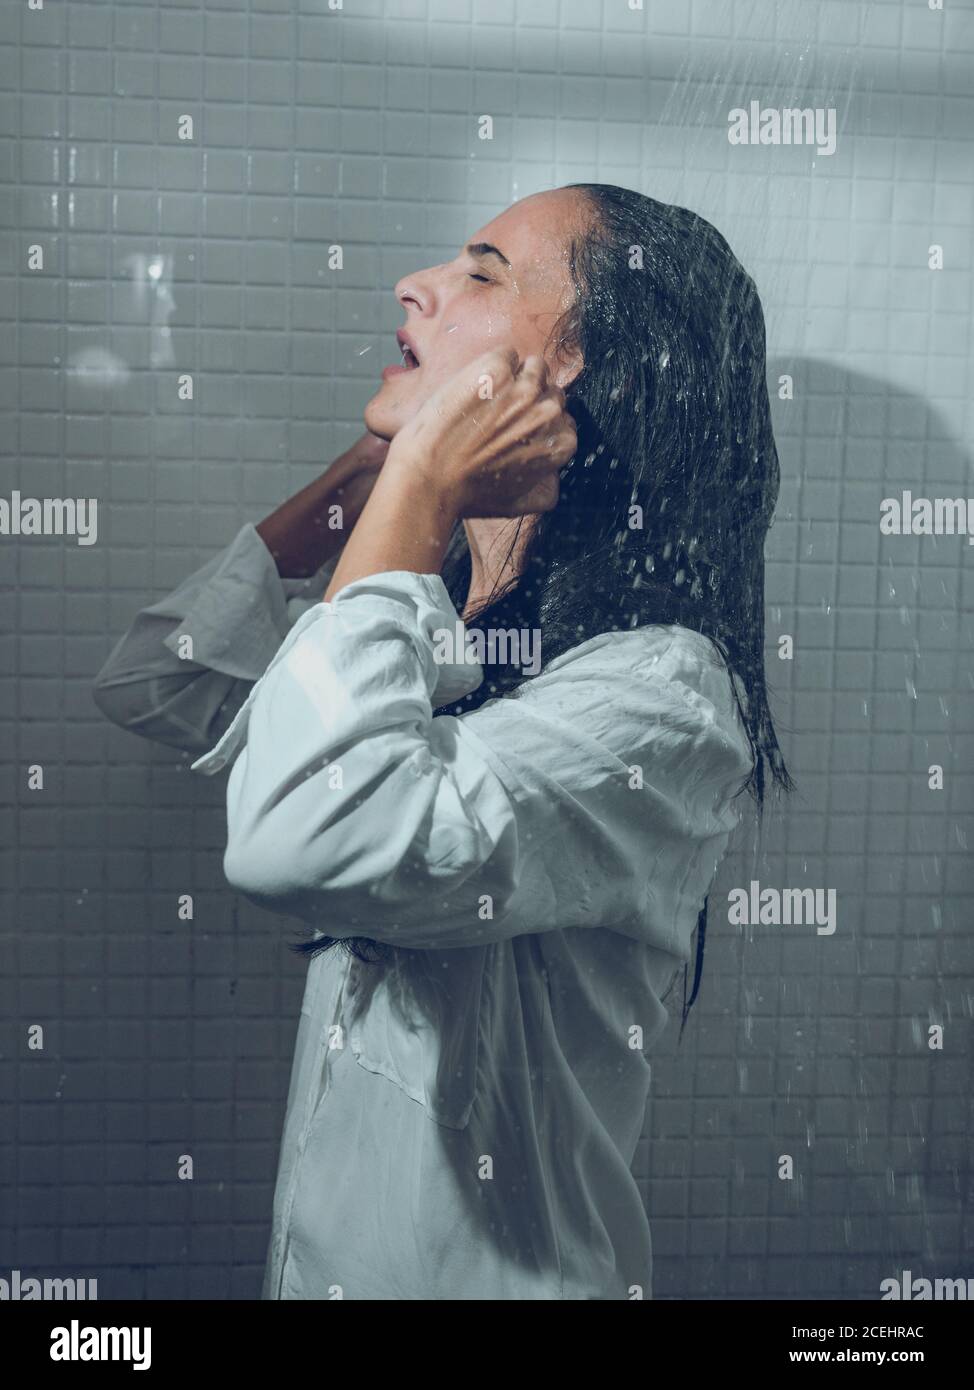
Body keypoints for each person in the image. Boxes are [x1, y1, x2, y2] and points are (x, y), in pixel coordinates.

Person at [93, 183, 790, 1300]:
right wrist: (369, 491)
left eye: (480, 270)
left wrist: (415, 487)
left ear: (584, 363)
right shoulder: (445, 613)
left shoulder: (659, 694)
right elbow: (156, 682)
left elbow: (308, 834)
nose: (413, 285)